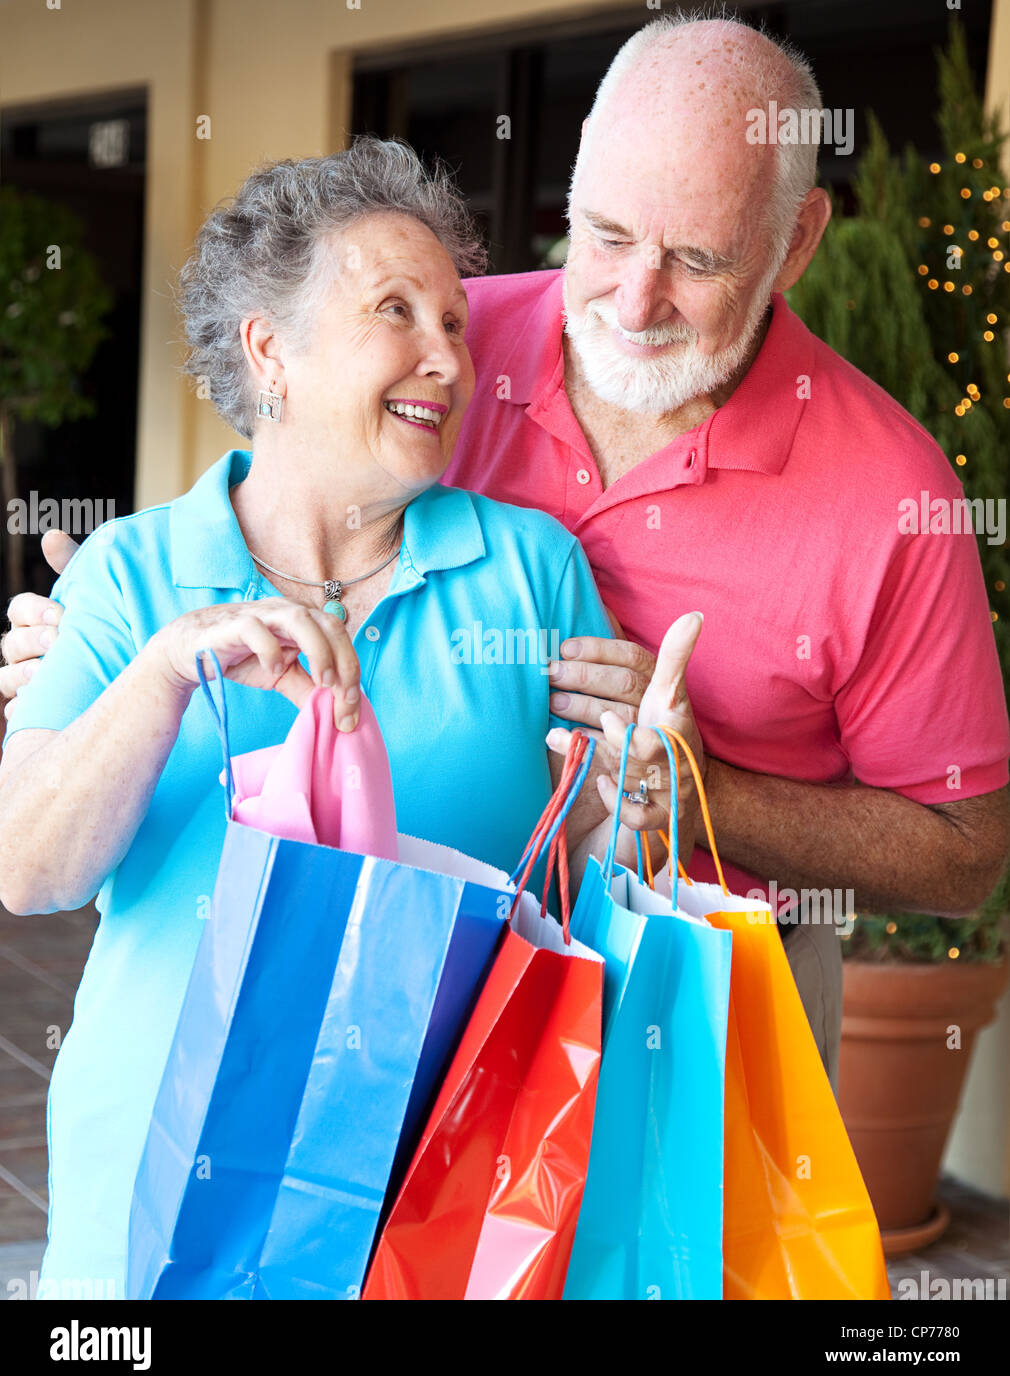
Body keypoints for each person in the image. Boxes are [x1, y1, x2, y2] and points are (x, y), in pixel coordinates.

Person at [5, 17, 1008, 1085]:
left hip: (707, 975)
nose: (632, 300)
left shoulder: (892, 495)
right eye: (607, 235)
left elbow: (963, 854)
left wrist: (706, 797)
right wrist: (111, 642)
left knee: (671, 1251)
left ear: (796, 242)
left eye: (698, 259)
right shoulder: (444, 349)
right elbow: (271, 503)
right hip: (419, 993)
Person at [0, 137, 698, 1299]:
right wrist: (166, 671)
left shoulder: (528, 571)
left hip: (443, 1194)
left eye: (455, 324)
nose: (447, 358)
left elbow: (578, 870)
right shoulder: (128, 575)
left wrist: (644, 810)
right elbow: (29, 868)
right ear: (269, 350)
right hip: (159, 1194)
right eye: (396, 312)